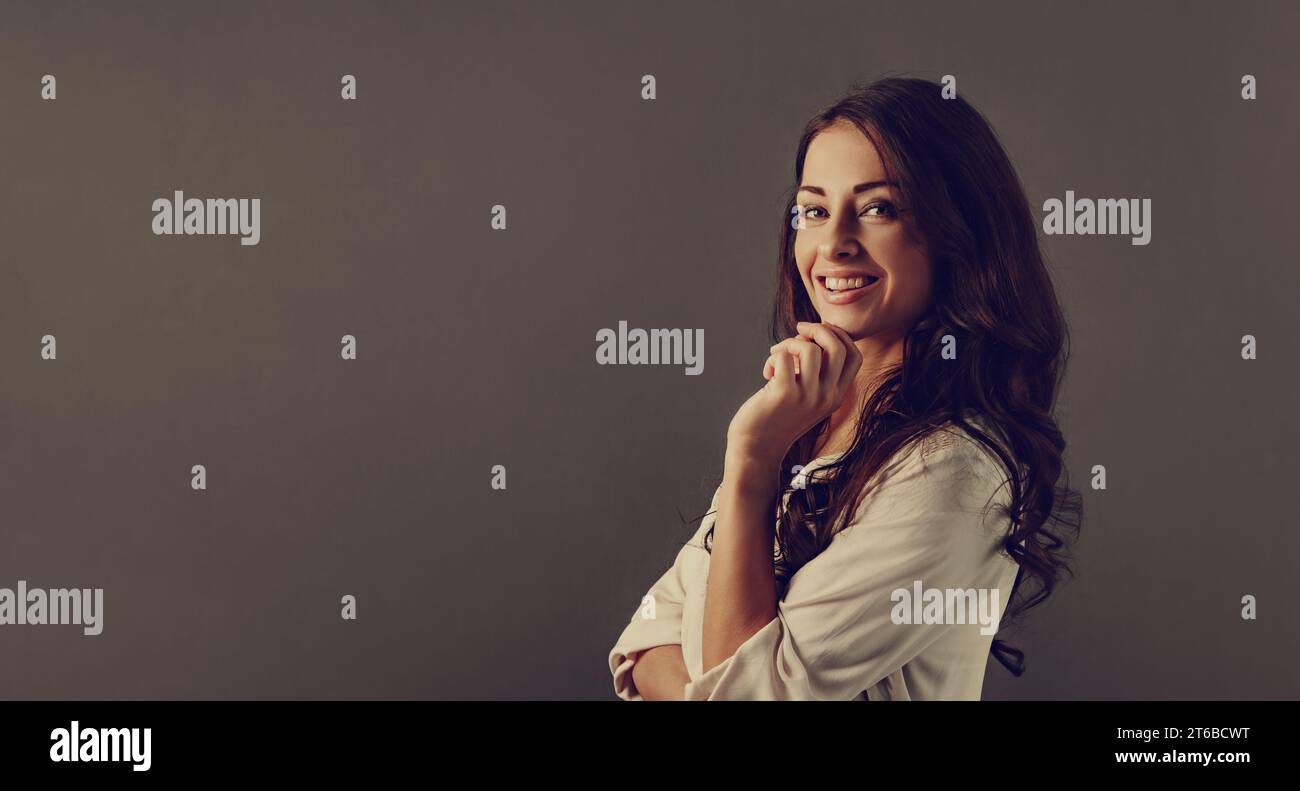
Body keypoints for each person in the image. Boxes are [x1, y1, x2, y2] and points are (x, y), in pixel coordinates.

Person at [608, 76, 1082, 700]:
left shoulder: (953, 469)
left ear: (955, 233)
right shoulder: (806, 421)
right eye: (814, 210)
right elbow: (642, 641)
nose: (833, 244)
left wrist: (751, 462)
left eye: (879, 207)